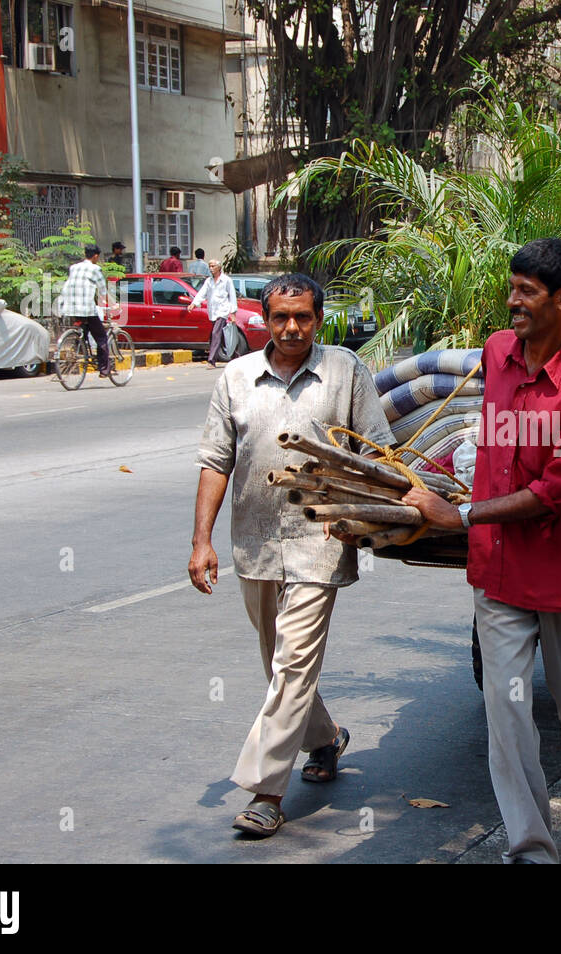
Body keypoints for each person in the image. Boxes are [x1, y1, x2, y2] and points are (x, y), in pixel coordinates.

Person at [403, 238, 561, 864]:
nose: (513, 301)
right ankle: (530, 843)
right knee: (505, 710)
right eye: (512, 287)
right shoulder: (498, 353)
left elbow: (557, 490)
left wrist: (462, 513)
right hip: (498, 567)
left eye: (527, 291)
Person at [189, 273, 394, 839]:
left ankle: (266, 792)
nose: (292, 328)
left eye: (302, 317)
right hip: (253, 542)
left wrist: (358, 517)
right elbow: (214, 461)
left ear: (319, 318)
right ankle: (325, 738)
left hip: (319, 541)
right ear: (264, 318)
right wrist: (201, 540)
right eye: (280, 317)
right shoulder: (235, 378)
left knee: (293, 663)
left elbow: (374, 452)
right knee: (278, 665)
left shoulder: (344, 370)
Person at [57, 244, 111, 378]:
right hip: (86, 308)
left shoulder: (74, 267)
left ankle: (80, 344)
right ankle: (104, 369)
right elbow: (103, 291)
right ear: (96, 256)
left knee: (84, 328)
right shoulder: (95, 269)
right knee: (102, 337)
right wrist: (111, 304)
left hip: (70, 307)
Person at [187, 259, 238, 368]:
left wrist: (233, 313)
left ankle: (212, 360)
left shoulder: (226, 280)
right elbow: (202, 293)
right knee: (222, 336)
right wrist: (194, 304)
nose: (211, 269)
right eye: (210, 266)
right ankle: (236, 357)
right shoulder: (209, 281)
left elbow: (232, 296)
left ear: (219, 268)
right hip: (213, 311)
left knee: (215, 334)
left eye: (213, 266)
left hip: (222, 311)